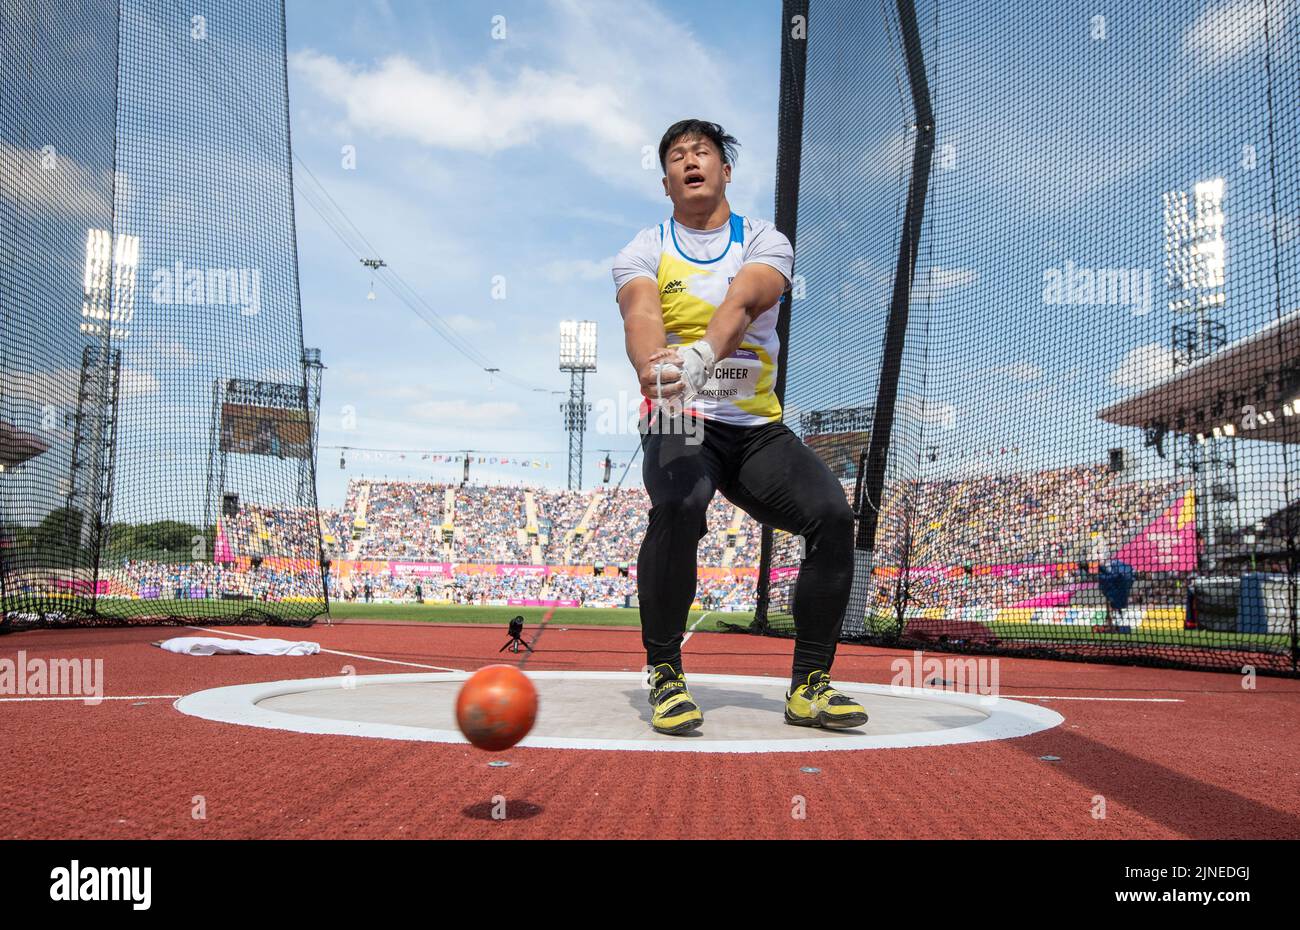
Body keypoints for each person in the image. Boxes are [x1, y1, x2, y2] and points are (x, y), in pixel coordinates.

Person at [611, 119, 868, 735]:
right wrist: (654, 369)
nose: (689, 161)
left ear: (726, 171)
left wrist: (700, 357)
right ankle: (666, 673)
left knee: (832, 516)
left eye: (702, 152)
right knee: (679, 505)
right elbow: (641, 313)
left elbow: (744, 303)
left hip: (754, 427)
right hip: (683, 418)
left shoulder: (764, 240)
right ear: (666, 182)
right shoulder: (642, 250)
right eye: (676, 156)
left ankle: (810, 685)